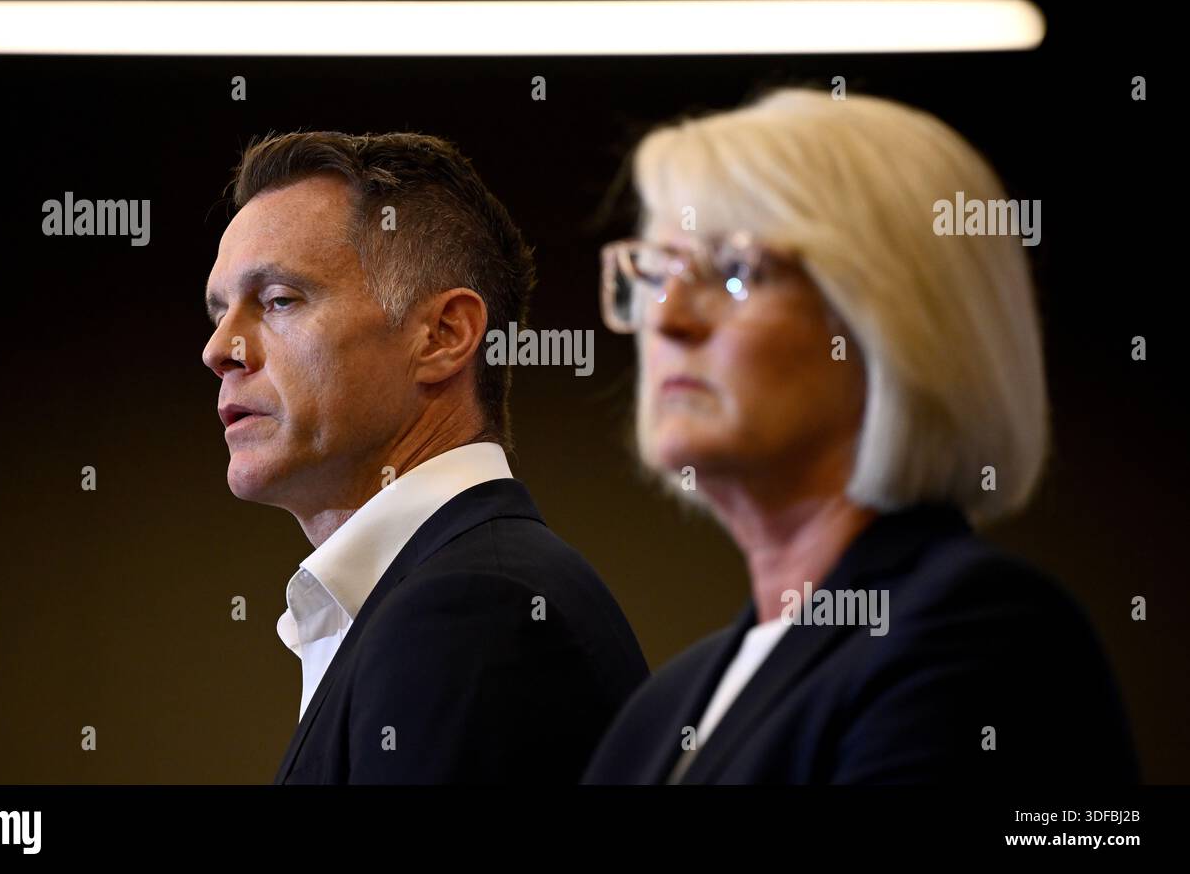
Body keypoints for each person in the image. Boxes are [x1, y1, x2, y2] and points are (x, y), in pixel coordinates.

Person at [582, 88, 1140, 784]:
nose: (667, 319)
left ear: (896, 323)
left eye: (735, 271)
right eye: (657, 270)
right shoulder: (661, 710)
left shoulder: (978, 637)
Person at [202, 130, 648, 783]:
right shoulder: (436, 595)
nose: (219, 350)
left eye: (277, 301)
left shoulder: (473, 614)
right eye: (217, 313)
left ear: (442, 336)